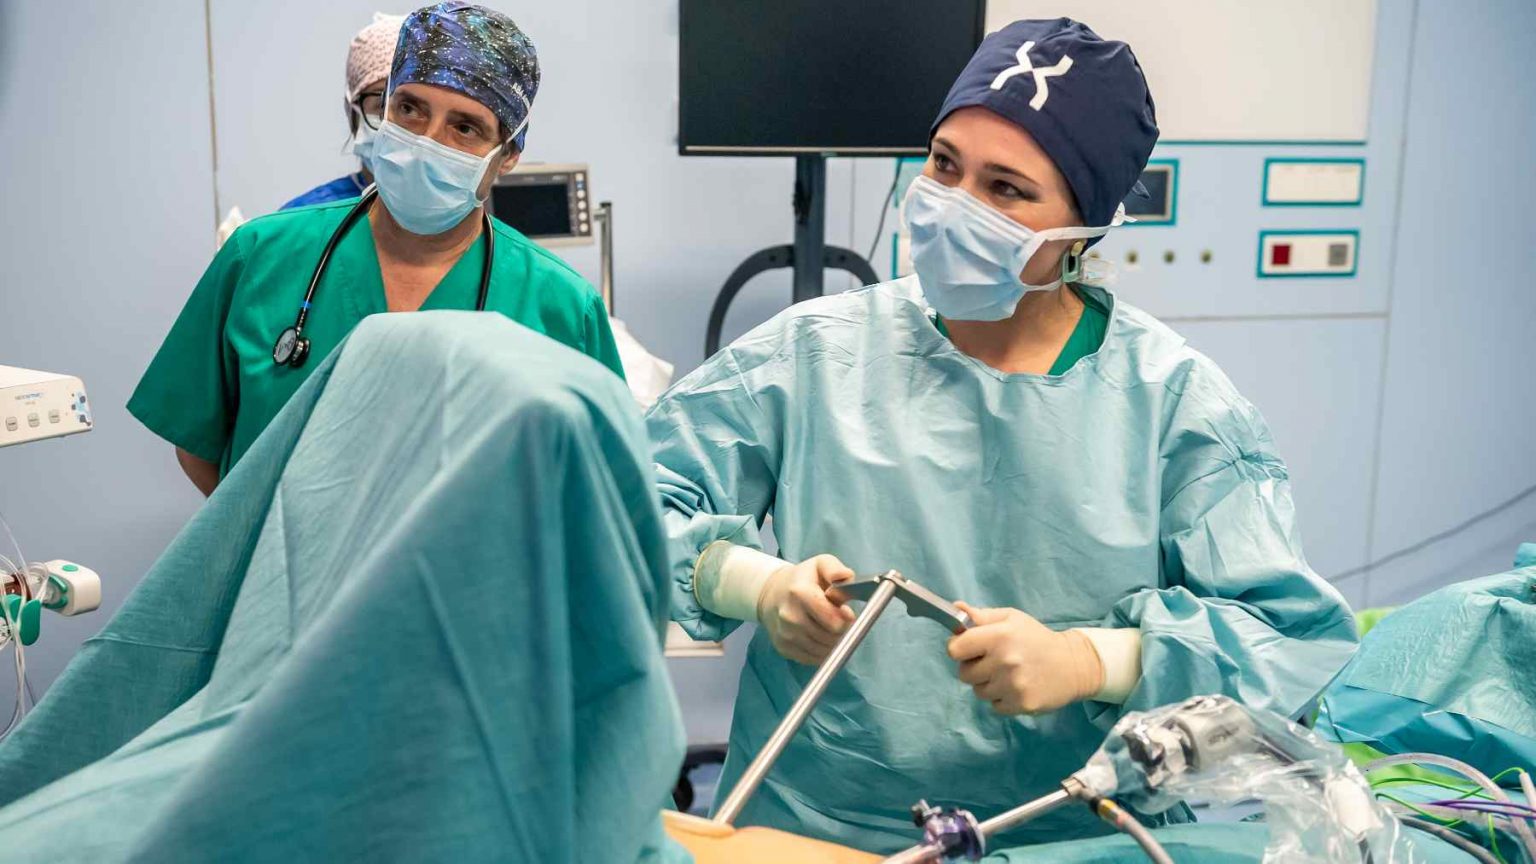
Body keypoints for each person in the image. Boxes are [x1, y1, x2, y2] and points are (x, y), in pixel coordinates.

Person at [650, 18, 1358, 854]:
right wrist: (756, 584)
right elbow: (623, 502)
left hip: (1068, 834)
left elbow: (1289, 642)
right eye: (945, 165)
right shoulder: (815, 354)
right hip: (813, 827)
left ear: (1082, 229)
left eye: (1007, 189)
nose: (955, 207)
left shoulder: (1174, 406)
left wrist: (1093, 661)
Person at [131, 2, 623, 497]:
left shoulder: (562, 308)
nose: (427, 140)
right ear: (382, 110)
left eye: (465, 128)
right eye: (409, 109)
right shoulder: (258, 255)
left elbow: (598, 488)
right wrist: (273, 552)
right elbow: (198, 446)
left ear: (509, 154)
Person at [281, 13, 404, 211]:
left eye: (408, 108)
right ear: (352, 111)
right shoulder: (307, 218)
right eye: (380, 104)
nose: (394, 124)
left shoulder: (459, 219)